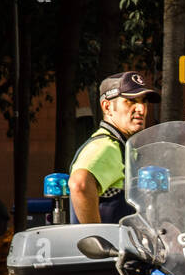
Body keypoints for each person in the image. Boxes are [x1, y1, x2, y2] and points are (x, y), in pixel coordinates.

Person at [68, 71, 161, 223]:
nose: (142, 109)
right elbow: (80, 184)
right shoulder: (106, 146)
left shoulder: (125, 148)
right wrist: (97, 238)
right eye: (130, 101)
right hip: (112, 246)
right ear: (107, 107)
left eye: (144, 102)